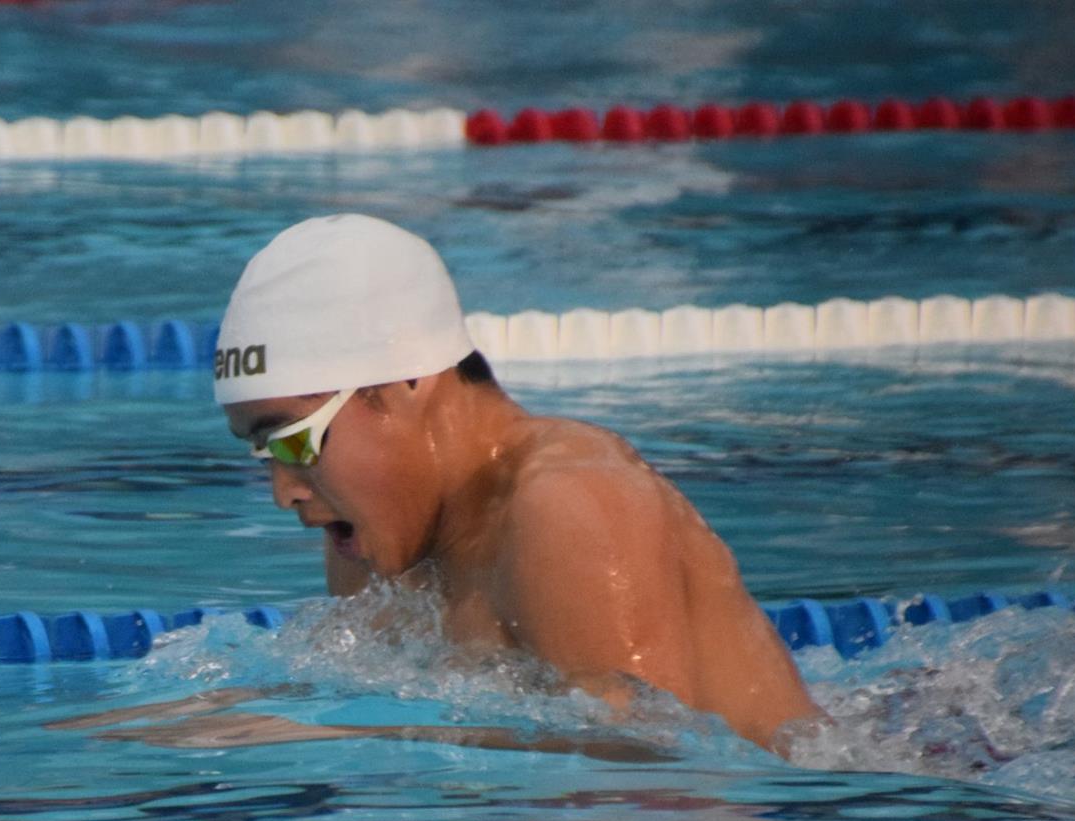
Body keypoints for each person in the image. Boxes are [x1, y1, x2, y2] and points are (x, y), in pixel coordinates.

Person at [211, 214, 825, 756]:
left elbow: (656, 758)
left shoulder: (572, 503)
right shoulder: (371, 541)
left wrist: (350, 729)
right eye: (262, 451)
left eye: (294, 439)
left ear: (409, 383)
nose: (283, 490)